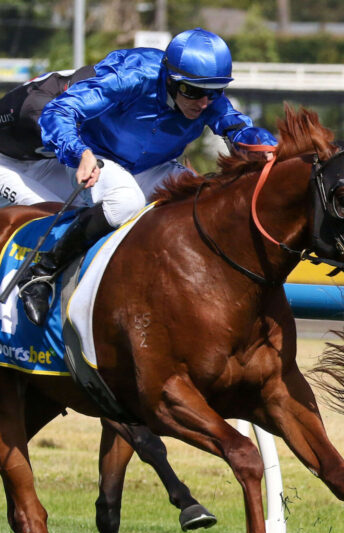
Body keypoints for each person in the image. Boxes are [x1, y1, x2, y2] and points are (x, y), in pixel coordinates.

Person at [0, 27, 278, 325]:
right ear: (169, 80)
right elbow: (58, 111)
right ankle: (41, 274)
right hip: (82, 155)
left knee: (197, 195)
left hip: (135, 164)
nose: (203, 103)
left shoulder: (205, 97)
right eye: (193, 92)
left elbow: (236, 125)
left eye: (215, 91)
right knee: (124, 201)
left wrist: (262, 144)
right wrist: (79, 153)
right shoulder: (131, 76)